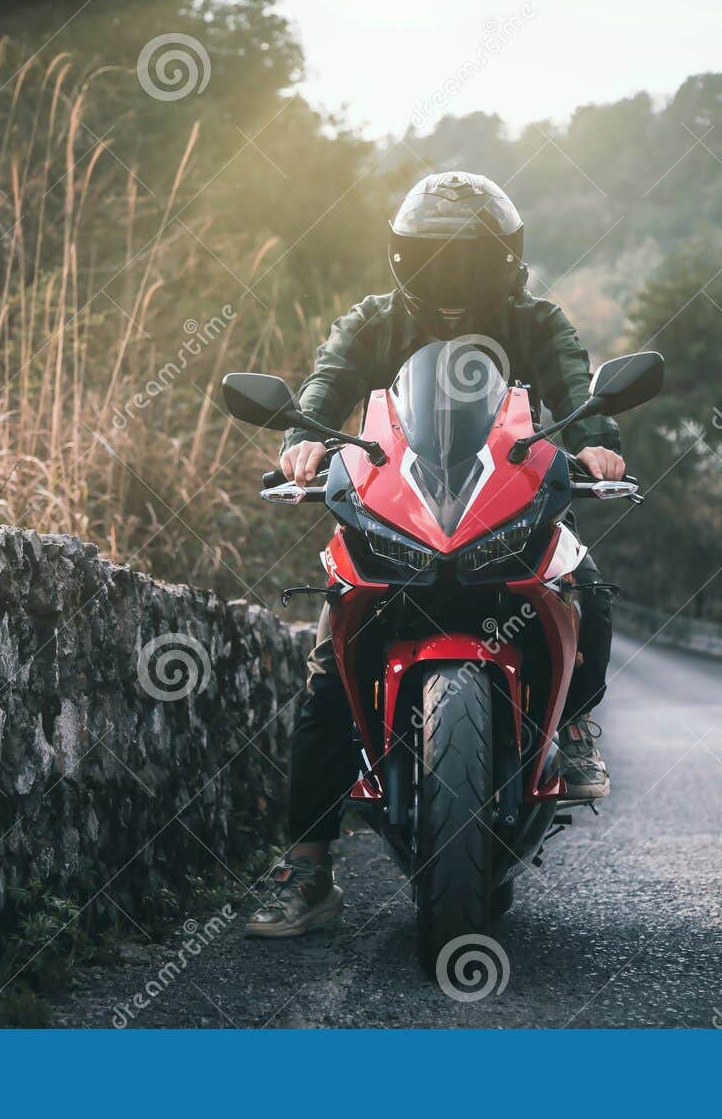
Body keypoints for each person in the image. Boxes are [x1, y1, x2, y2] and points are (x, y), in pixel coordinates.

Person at [246, 171, 625, 939]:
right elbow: (324, 390)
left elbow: (577, 387)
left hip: (504, 507)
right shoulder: (373, 322)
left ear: (506, 260)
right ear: (402, 258)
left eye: (469, 260)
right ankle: (309, 870)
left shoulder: (535, 319)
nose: (452, 280)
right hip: (396, 514)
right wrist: (301, 441)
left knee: (586, 582)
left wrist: (597, 444)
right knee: (326, 674)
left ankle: (575, 724)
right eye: (434, 259)